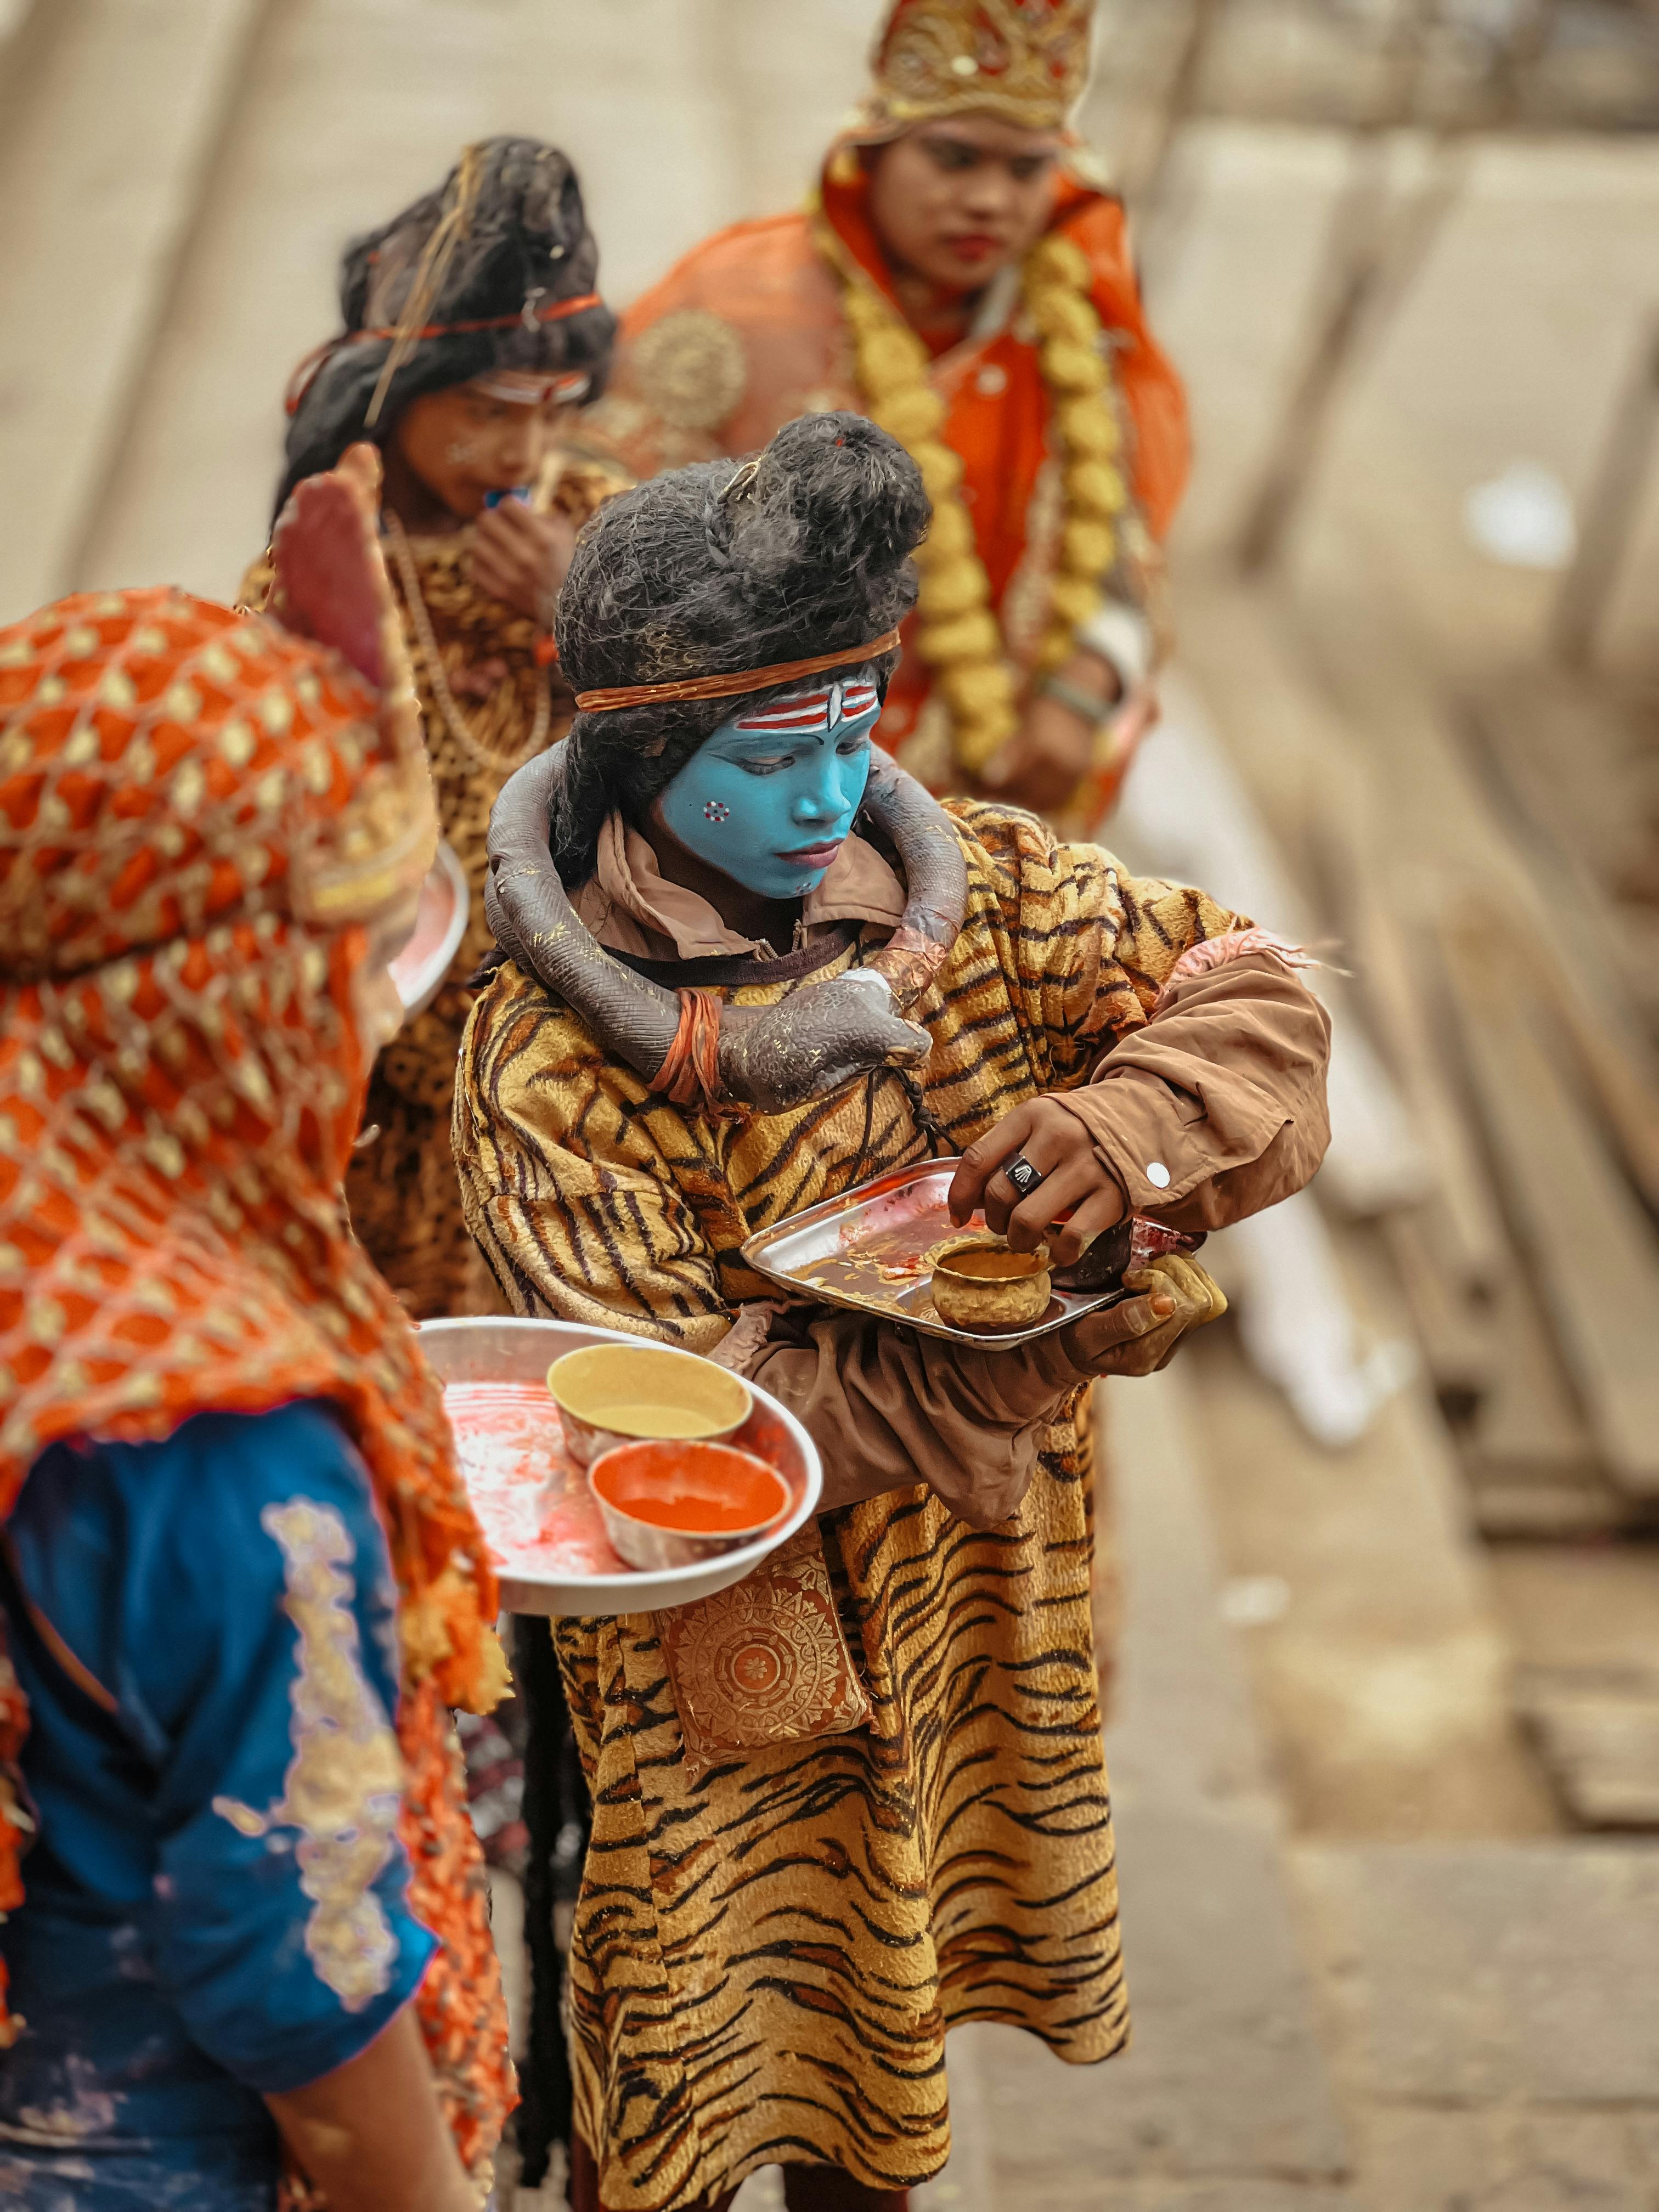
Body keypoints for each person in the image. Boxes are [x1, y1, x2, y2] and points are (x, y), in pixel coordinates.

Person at [451, 413, 1331, 2211]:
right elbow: (669, 1410)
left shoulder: (988, 888)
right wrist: (1029, 1337)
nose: (828, 800)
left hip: (960, 1609)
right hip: (718, 1669)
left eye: (855, 739)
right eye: (772, 761)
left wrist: (1124, 1122)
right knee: (701, 2040)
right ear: (638, 753)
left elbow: (1252, 987)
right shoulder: (541, 1055)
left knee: (891, 2040)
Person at [0, 449, 512, 2208]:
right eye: (352, 974)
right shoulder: (224, 1458)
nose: (367, 1041)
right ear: (220, 1004)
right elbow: (297, 1969)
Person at [589, 0, 1184, 827]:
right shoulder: (729, 314)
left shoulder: (1077, 335)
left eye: (1025, 170)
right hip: (745, 819)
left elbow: (1126, 555)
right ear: (870, 156)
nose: (988, 201)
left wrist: (1087, 689)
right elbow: (598, 562)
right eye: (954, 157)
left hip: (1002, 817)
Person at [248, 134, 625, 1321]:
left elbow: (711, 748)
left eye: (549, 414)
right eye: (483, 412)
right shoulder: (317, 579)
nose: (521, 454)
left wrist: (590, 622)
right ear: (396, 394)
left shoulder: (598, 532)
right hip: (378, 1103)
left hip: (566, 1083)